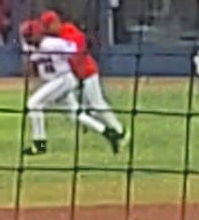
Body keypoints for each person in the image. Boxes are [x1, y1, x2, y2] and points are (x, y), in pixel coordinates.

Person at [22, 9, 126, 155]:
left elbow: (76, 49)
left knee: (34, 104)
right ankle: (108, 133)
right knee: (75, 114)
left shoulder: (53, 43)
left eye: (31, 35)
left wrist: (77, 70)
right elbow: (33, 67)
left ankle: (39, 144)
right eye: (27, 37)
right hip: (56, 81)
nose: (29, 39)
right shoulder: (30, 47)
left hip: (64, 79)